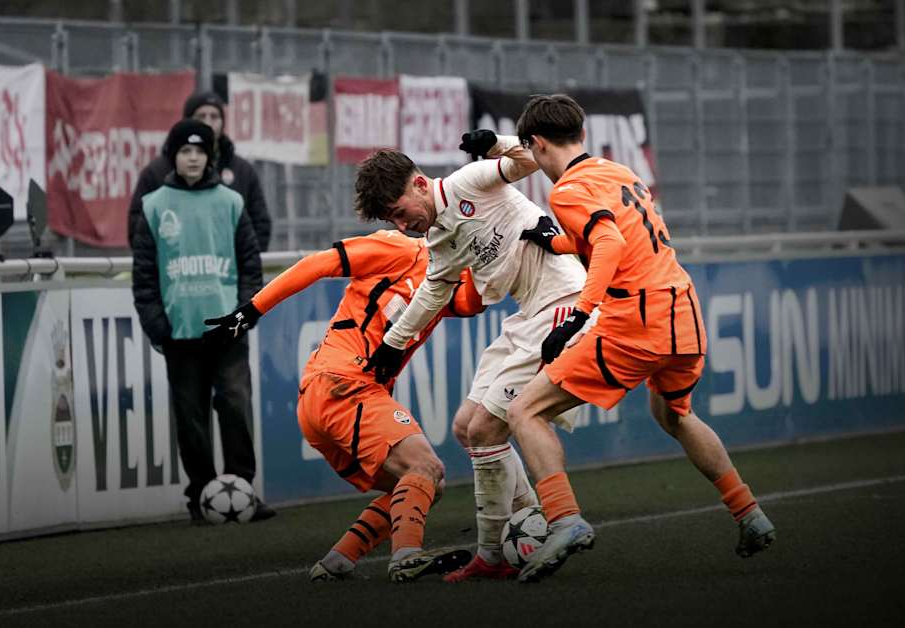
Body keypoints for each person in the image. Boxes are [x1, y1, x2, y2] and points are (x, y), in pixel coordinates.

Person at [504, 94, 777, 582]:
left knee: (524, 411)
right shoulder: (619, 172)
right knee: (675, 415)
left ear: (538, 144)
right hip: (683, 311)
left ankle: (564, 519)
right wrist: (557, 242)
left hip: (637, 320)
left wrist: (577, 316)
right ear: (581, 135)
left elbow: (608, 242)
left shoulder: (566, 191)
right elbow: (618, 234)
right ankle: (748, 512)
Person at [356, 137, 593, 581]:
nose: (402, 225)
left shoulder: (469, 181)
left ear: (420, 185)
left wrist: (497, 144)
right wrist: (393, 343)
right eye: (391, 221)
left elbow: (530, 160)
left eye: (400, 212)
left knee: (489, 428)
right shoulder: (439, 236)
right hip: (528, 315)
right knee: (467, 426)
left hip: (564, 302)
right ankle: (526, 522)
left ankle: (501, 550)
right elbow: (433, 291)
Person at [204, 228, 485, 582]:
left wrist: (493, 258)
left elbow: (473, 302)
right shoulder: (400, 248)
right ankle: (406, 556)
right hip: (343, 384)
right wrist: (251, 310)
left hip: (330, 397)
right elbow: (317, 264)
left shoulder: (448, 280)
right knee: (424, 467)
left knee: (426, 484)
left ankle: (340, 559)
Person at [131, 118, 274, 525]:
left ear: (209, 157)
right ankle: (201, 496)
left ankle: (243, 489)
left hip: (227, 332)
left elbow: (250, 266)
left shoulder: (230, 202)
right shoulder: (154, 206)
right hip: (180, 333)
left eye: (199, 151)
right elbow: (144, 277)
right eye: (185, 151)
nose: (192, 158)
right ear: (173, 157)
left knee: (235, 408)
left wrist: (242, 316)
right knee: (190, 418)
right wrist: (158, 326)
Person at [128, 91, 272, 251]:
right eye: (201, 116)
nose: (208, 122)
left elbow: (259, 224)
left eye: (214, 116)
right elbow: (139, 229)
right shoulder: (156, 172)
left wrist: (240, 260)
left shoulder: (243, 171)